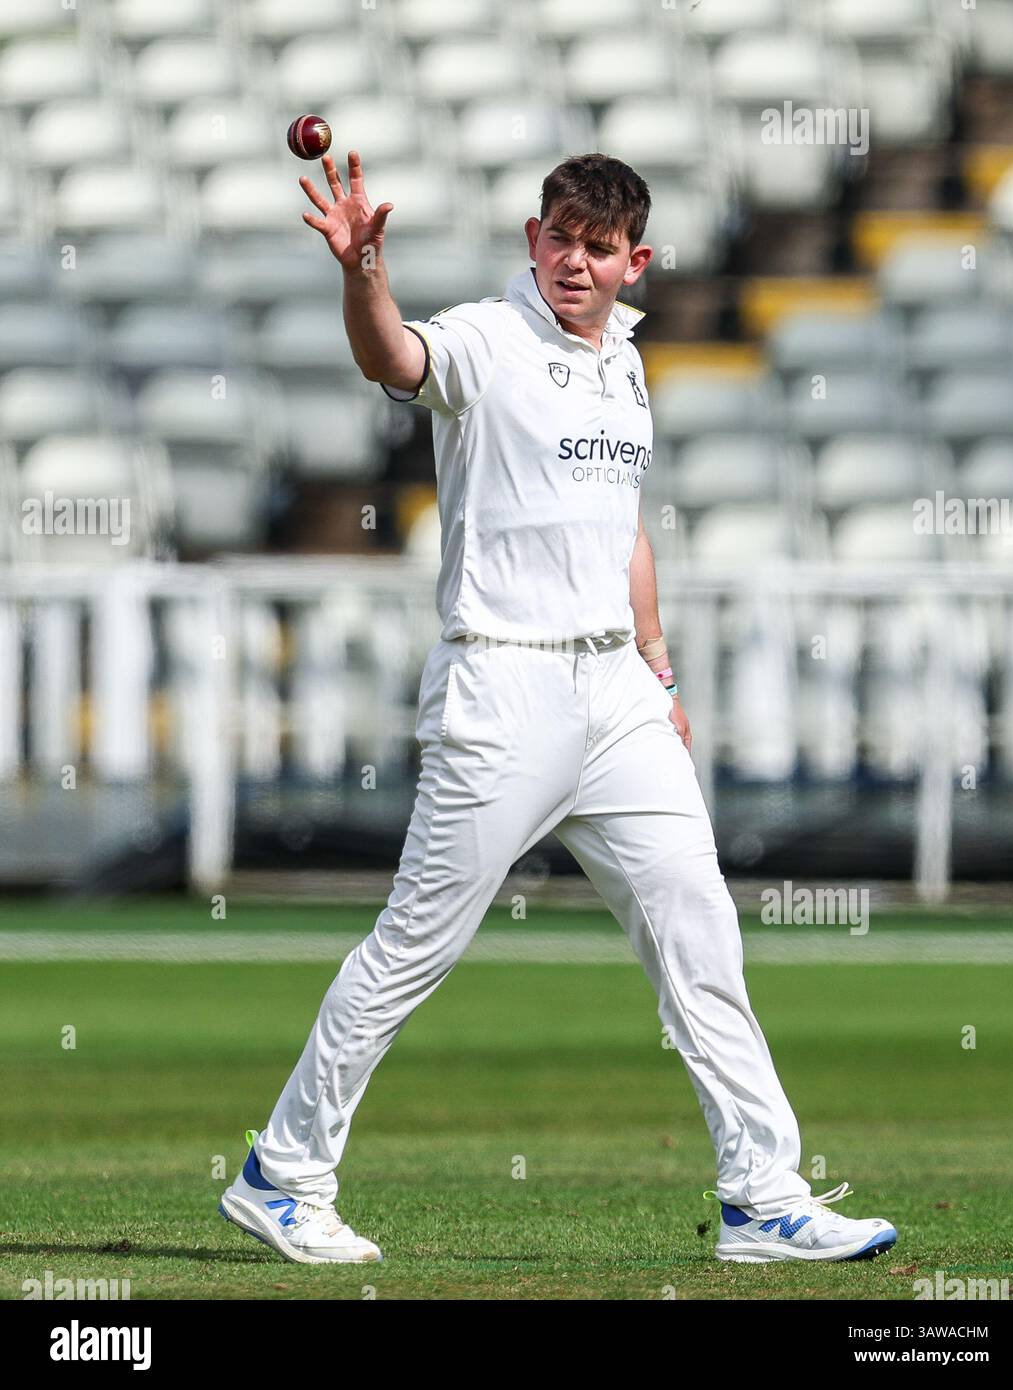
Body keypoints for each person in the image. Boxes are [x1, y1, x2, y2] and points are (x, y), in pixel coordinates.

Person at [218, 150, 897, 1266]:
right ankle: (282, 1175)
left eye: (597, 247)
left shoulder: (624, 363)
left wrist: (661, 674)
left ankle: (762, 1196)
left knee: (700, 934)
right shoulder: (488, 338)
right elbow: (393, 354)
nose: (572, 262)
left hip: (617, 695)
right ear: (532, 239)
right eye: (557, 239)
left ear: (634, 262)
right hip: (502, 681)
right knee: (416, 945)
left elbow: (618, 524)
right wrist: (361, 272)